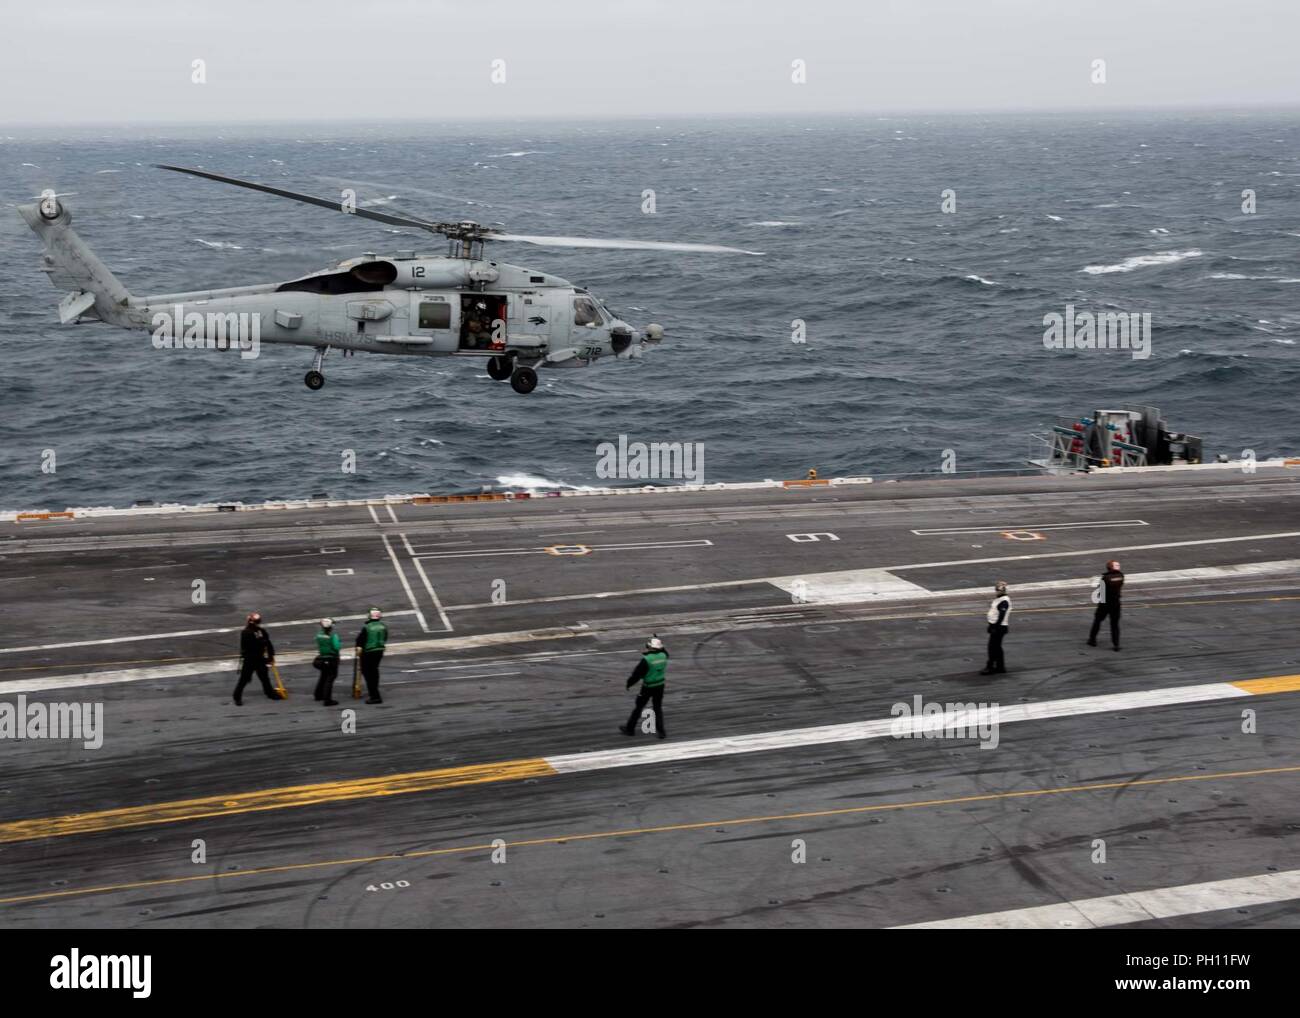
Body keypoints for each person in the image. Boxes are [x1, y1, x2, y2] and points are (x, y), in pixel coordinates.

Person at [619, 636, 669, 739]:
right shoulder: (664, 656)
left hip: (648, 687)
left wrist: (629, 683)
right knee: (657, 708)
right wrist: (658, 641)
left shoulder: (647, 659)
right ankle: (661, 732)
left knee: (638, 708)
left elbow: (636, 675)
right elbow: (664, 651)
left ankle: (630, 729)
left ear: (649, 647)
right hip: (660, 686)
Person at [234, 611, 283, 705]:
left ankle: (269, 693)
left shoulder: (260, 631)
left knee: (265, 678)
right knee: (244, 679)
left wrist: (270, 655)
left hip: (259, 659)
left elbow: (268, 643)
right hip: (250, 660)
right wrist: (267, 653)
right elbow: (252, 646)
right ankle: (237, 697)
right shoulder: (246, 633)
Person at [1088, 559, 1125, 651]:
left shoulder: (1105, 578)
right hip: (1116, 604)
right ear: (1111, 567)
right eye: (1117, 565)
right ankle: (1116, 644)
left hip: (1105, 604)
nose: (1119, 566)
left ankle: (1092, 640)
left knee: (1097, 621)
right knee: (1115, 624)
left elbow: (1101, 593)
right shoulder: (1121, 576)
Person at [355, 608, 388, 704]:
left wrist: (359, 647)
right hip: (379, 651)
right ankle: (374, 691)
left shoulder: (367, 627)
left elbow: (360, 640)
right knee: (374, 671)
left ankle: (375, 695)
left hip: (369, 652)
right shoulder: (383, 626)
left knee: (368, 673)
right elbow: (385, 637)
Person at [979, 581, 1011, 675]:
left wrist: (995, 627)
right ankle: (1000, 667)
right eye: (997, 590)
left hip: (999, 627)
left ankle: (991, 667)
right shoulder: (1000, 599)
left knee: (992, 648)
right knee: (997, 648)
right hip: (997, 626)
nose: (997, 591)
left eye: (999, 590)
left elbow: (1001, 616)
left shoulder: (1004, 601)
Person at [313, 618, 342, 706]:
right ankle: (327, 699)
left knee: (323, 676)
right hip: (331, 659)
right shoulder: (333, 636)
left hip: (321, 658)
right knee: (330, 678)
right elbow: (337, 647)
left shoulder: (319, 635)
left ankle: (318, 695)